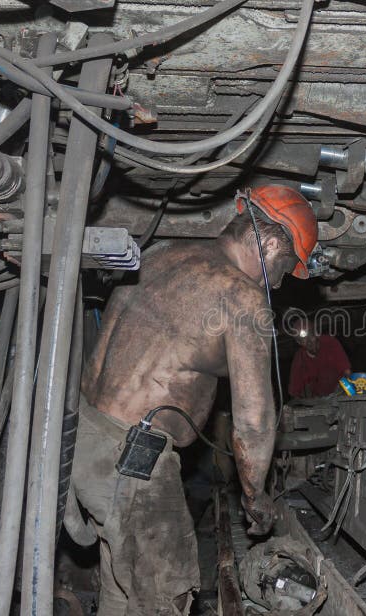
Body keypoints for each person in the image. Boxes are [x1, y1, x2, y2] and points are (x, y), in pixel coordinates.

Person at [72, 185, 318, 615]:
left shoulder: (161, 253)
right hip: (134, 464)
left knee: (121, 589)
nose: (279, 282)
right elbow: (254, 421)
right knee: (165, 596)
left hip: (85, 438)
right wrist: (255, 497)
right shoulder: (241, 297)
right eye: (283, 266)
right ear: (267, 242)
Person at [288, 317, 351, 398]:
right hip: (317, 401)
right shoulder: (299, 359)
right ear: (298, 342)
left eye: (311, 336)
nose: (309, 342)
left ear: (316, 333)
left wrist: (345, 392)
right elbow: (294, 392)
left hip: (339, 394)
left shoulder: (330, 343)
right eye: (303, 339)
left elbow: (347, 372)